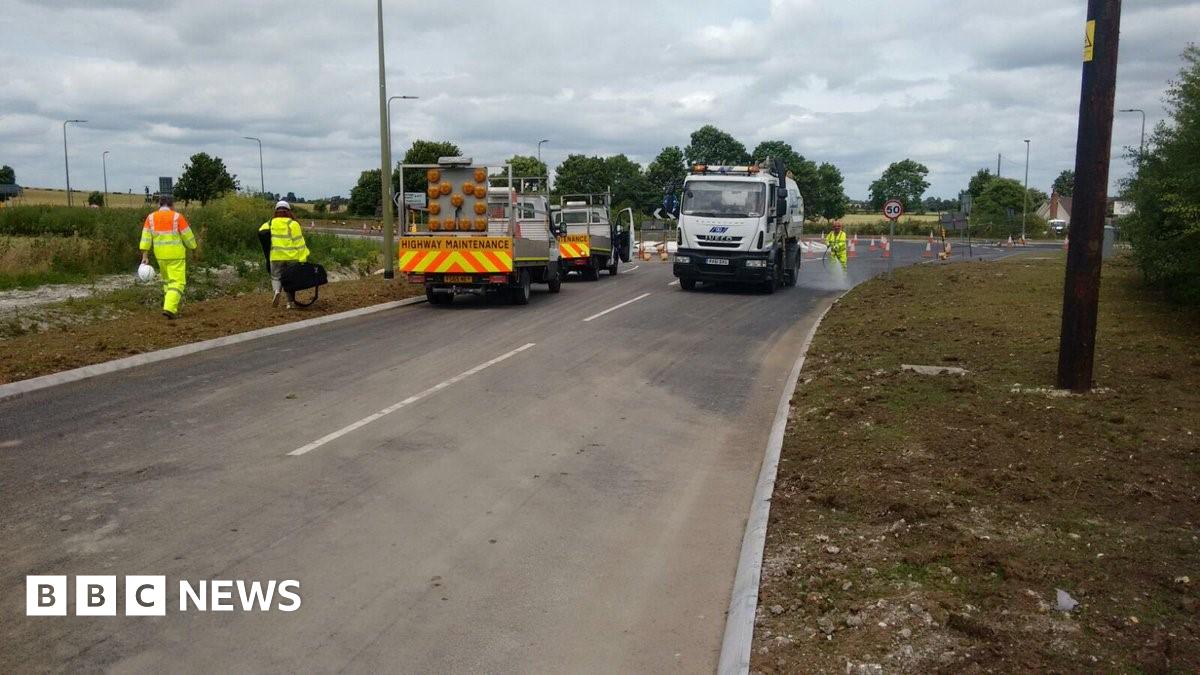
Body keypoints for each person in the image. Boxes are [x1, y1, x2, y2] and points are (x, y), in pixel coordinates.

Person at [139, 195, 198, 319]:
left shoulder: (150, 218)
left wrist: (145, 255)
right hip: (176, 256)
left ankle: (169, 305)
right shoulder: (177, 217)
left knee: (167, 282)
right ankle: (169, 308)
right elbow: (188, 235)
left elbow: (145, 238)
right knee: (177, 282)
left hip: (160, 256)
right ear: (172, 205)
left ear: (159, 204)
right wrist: (193, 248)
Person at [259, 200, 309, 308]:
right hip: (292, 257)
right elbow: (300, 243)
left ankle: (277, 291)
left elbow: (261, 231)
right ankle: (290, 302)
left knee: (276, 277)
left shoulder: (270, 223)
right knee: (291, 279)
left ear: (276, 211)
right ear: (289, 212)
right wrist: (303, 258)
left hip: (276, 257)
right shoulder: (293, 224)